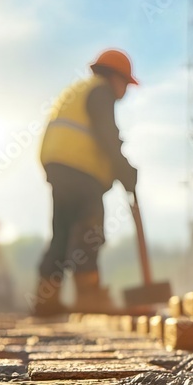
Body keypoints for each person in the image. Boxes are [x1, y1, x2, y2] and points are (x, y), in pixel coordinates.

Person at [34, 49, 139, 316]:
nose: (125, 90)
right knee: (89, 232)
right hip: (82, 170)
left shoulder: (79, 89)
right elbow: (107, 134)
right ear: (115, 77)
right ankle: (89, 296)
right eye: (126, 83)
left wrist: (120, 171)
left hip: (59, 166)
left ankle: (46, 298)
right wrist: (124, 170)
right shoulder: (101, 92)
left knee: (62, 231)